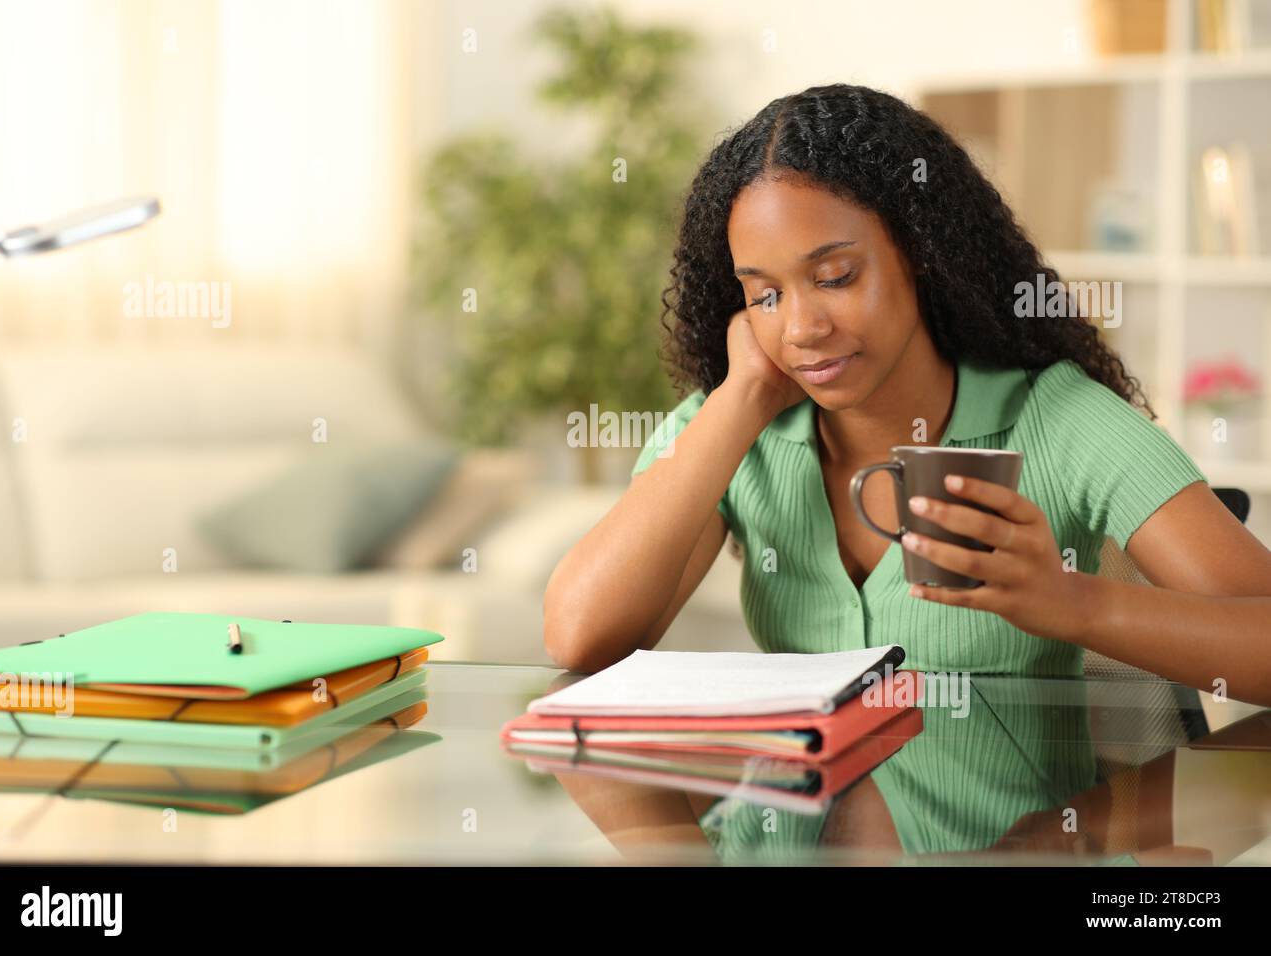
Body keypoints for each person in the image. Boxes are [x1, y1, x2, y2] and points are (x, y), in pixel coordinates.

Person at [543, 84, 1271, 706]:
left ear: (923, 255)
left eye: (834, 277)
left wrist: (1078, 604)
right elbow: (579, 637)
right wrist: (739, 405)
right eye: (764, 295)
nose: (802, 327)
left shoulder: (1056, 419)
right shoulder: (734, 425)